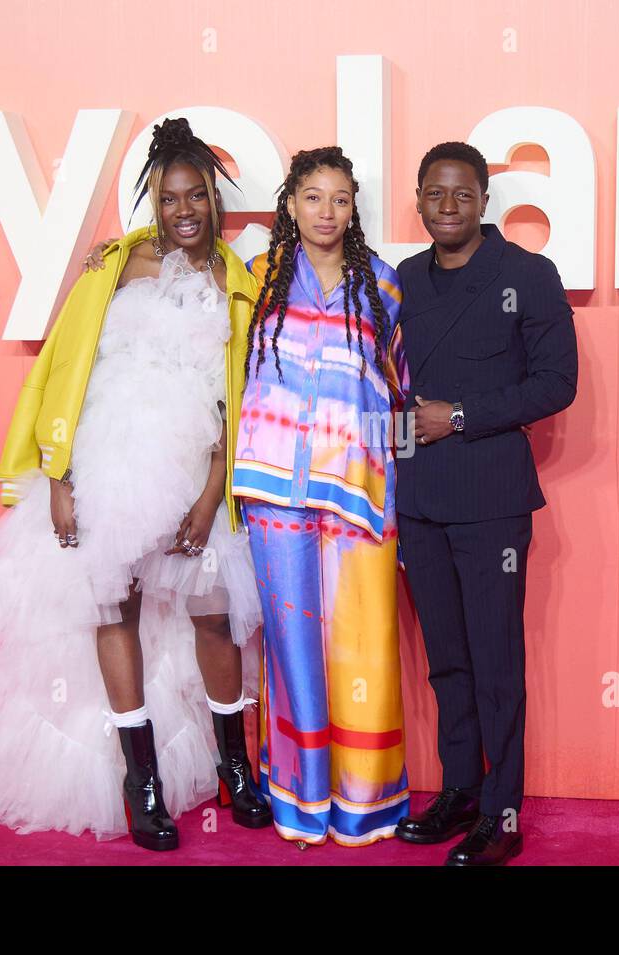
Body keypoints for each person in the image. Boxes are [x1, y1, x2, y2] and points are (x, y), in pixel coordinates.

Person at [0, 117, 270, 852]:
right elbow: (65, 371)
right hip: (110, 461)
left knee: (213, 609)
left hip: (194, 469)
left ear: (215, 201)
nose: (183, 210)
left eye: (196, 196)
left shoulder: (238, 279)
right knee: (113, 606)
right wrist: (59, 474)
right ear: (152, 203)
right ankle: (143, 780)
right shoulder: (112, 267)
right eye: (169, 198)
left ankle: (235, 764)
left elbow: (240, 393)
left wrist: (211, 489)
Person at [392, 142, 578, 865]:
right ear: (418, 199)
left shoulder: (527, 275)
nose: (447, 207)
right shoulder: (404, 277)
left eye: (462, 194)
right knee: (446, 660)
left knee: (495, 659)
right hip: (419, 497)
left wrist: (460, 415)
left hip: (492, 500)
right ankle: (461, 790)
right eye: (435, 194)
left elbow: (556, 383)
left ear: (484, 200)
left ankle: (503, 814)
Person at [235, 146, 410, 847]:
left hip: (359, 493)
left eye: (339, 199)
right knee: (292, 649)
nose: (326, 212)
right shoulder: (257, 278)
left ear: (353, 208)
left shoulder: (386, 288)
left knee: (363, 649)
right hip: (273, 485)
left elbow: (400, 391)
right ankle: (301, 802)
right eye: (313, 197)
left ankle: (365, 803)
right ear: (290, 203)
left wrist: (403, 488)